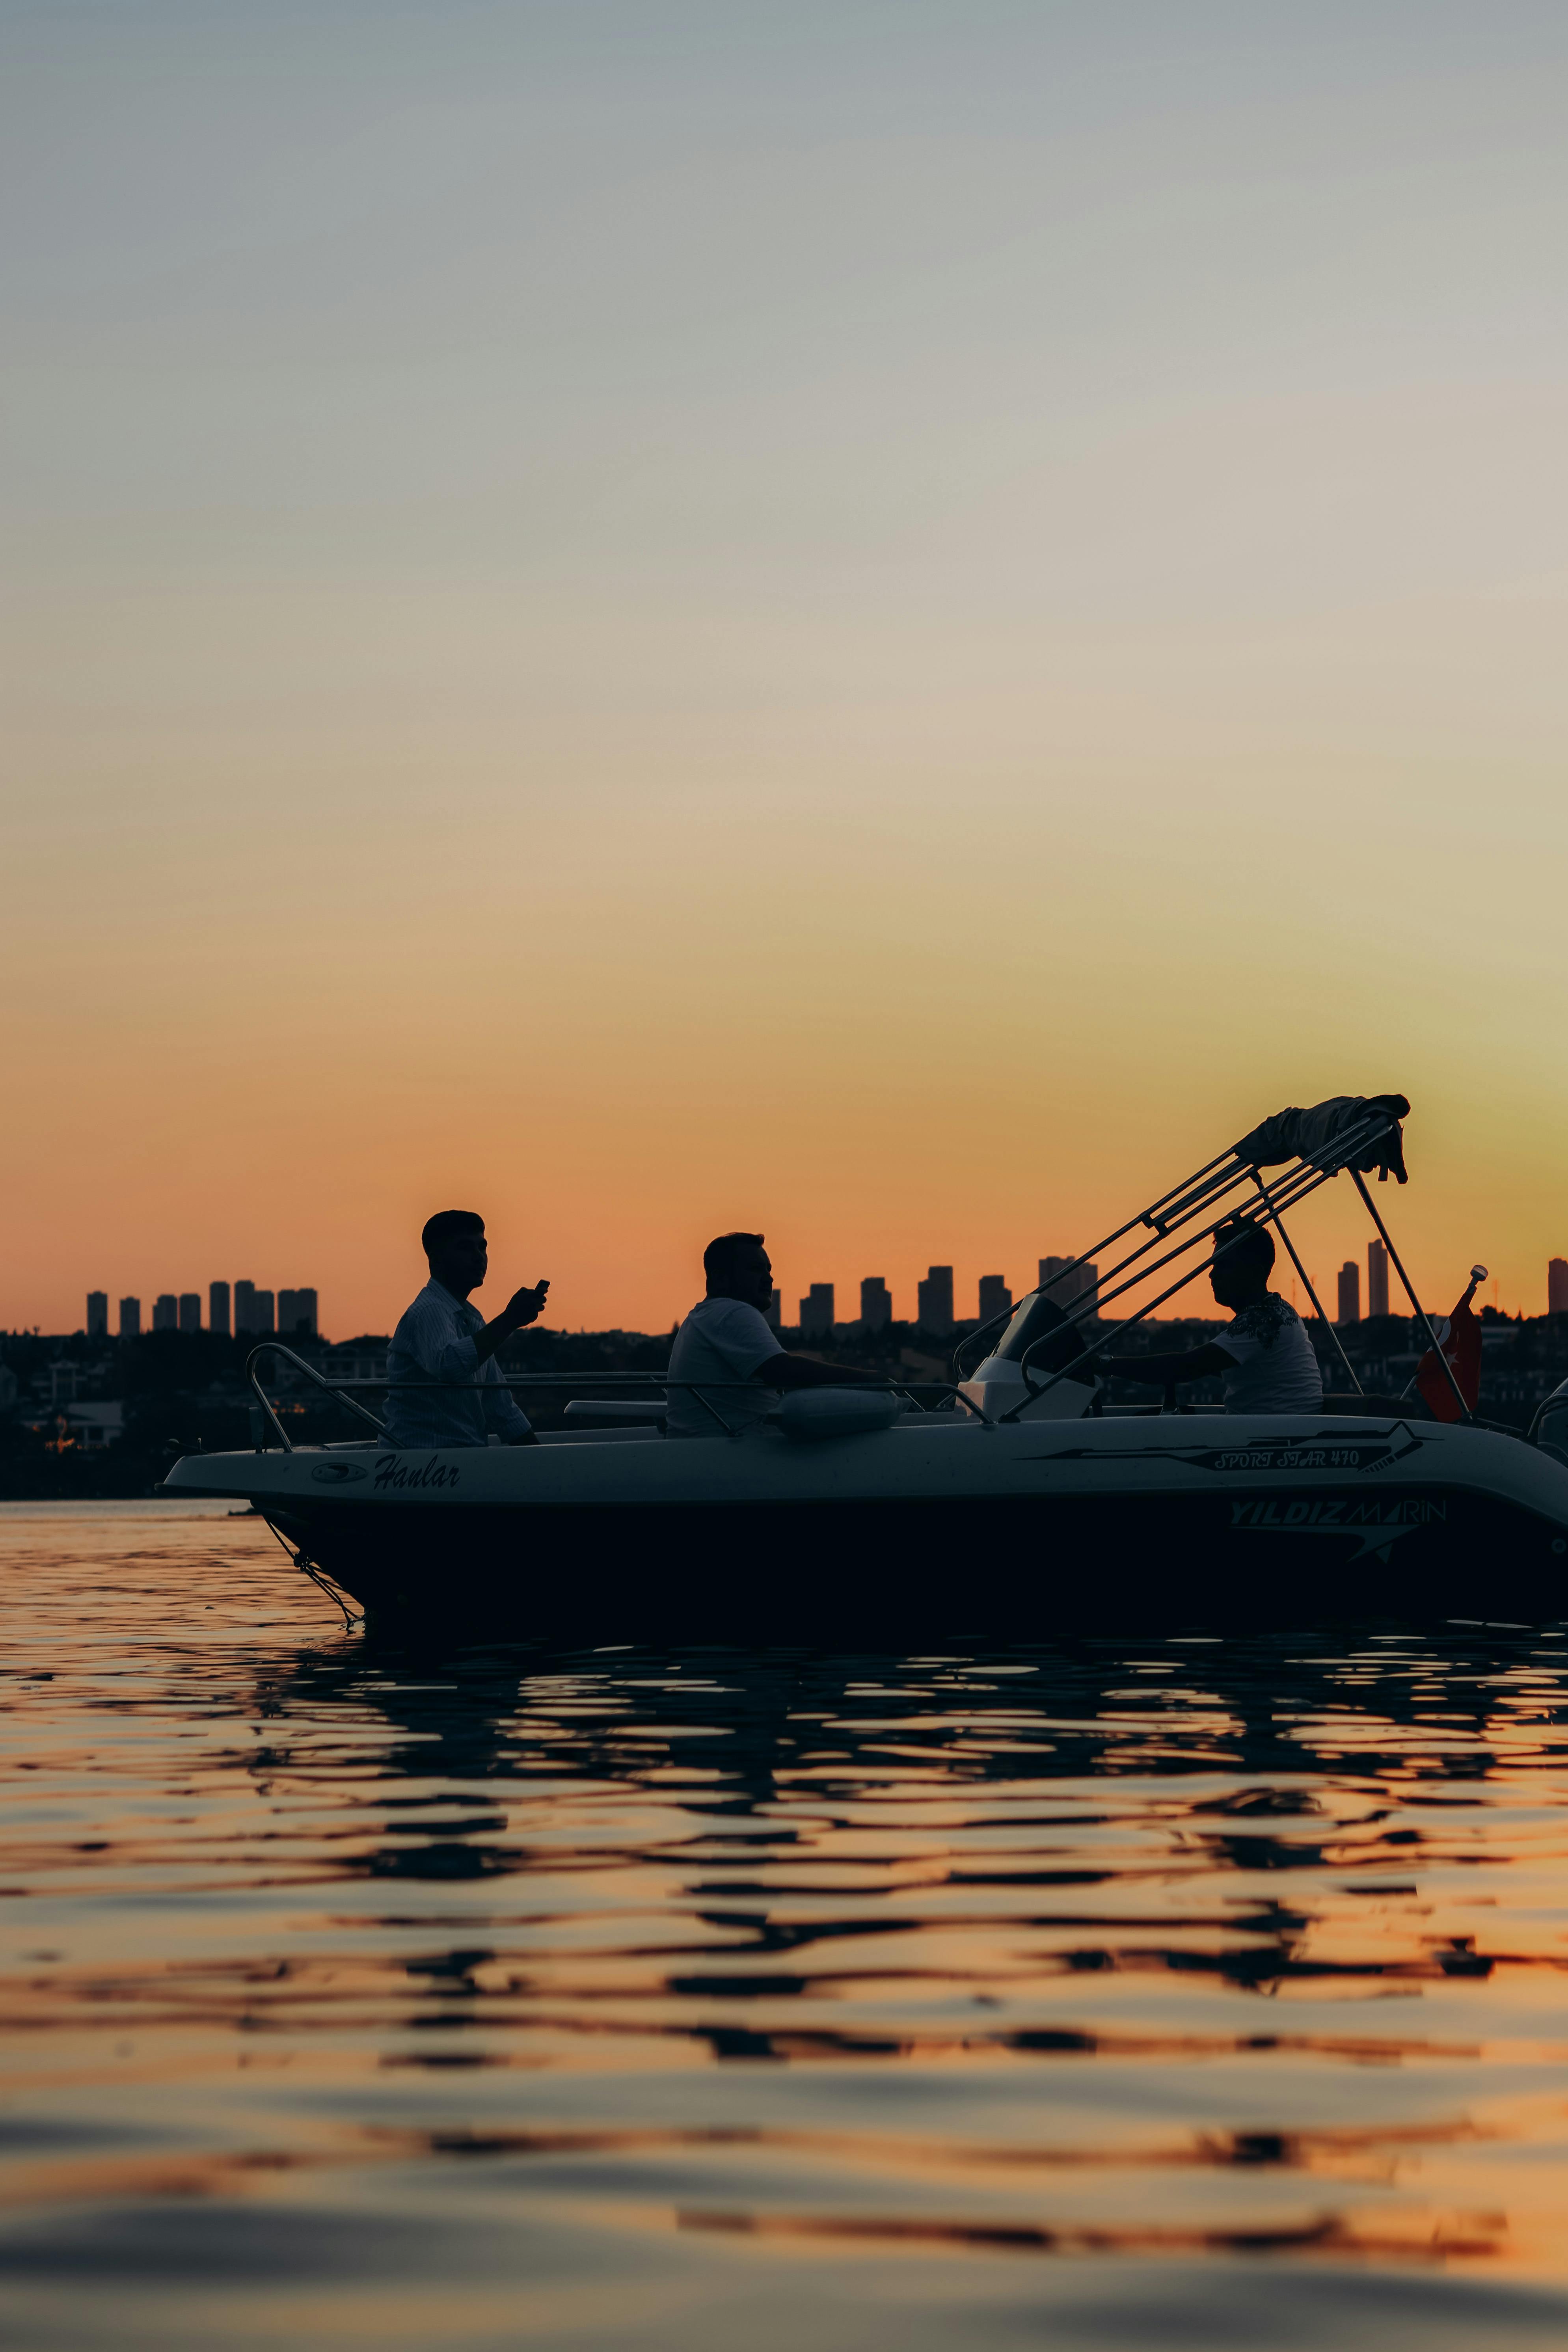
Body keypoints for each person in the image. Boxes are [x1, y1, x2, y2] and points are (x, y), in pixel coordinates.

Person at [1095, 1219, 1323, 1414]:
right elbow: (1212, 1365)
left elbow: (1186, 1367)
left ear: (1255, 1270)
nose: (1212, 1274)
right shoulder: (1280, 1310)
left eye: (1224, 1265)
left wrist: (1106, 1365)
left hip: (1270, 1447)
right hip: (1285, 1439)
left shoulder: (1261, 1322)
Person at [665, 1232, 878, 1438]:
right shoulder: (732, 1312)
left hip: (705, 1449)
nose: (769, 1278)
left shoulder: (698, 1317)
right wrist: (871, 1380)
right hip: (732, 1453)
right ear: (721, 1278)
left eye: (768, 1270)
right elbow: (783, 1371)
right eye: (755, 1270)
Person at [382, 1210, 549, 1450]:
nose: (479, 1257)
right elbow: (449, 1366)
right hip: (419, 1468)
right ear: (436, 1258)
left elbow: (500, 1406)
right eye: (465, 1248)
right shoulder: (428, 1311)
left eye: (482, 1247)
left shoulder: (472, 1319)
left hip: (460, 1466)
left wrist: (542, 1459)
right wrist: (510, 1319)